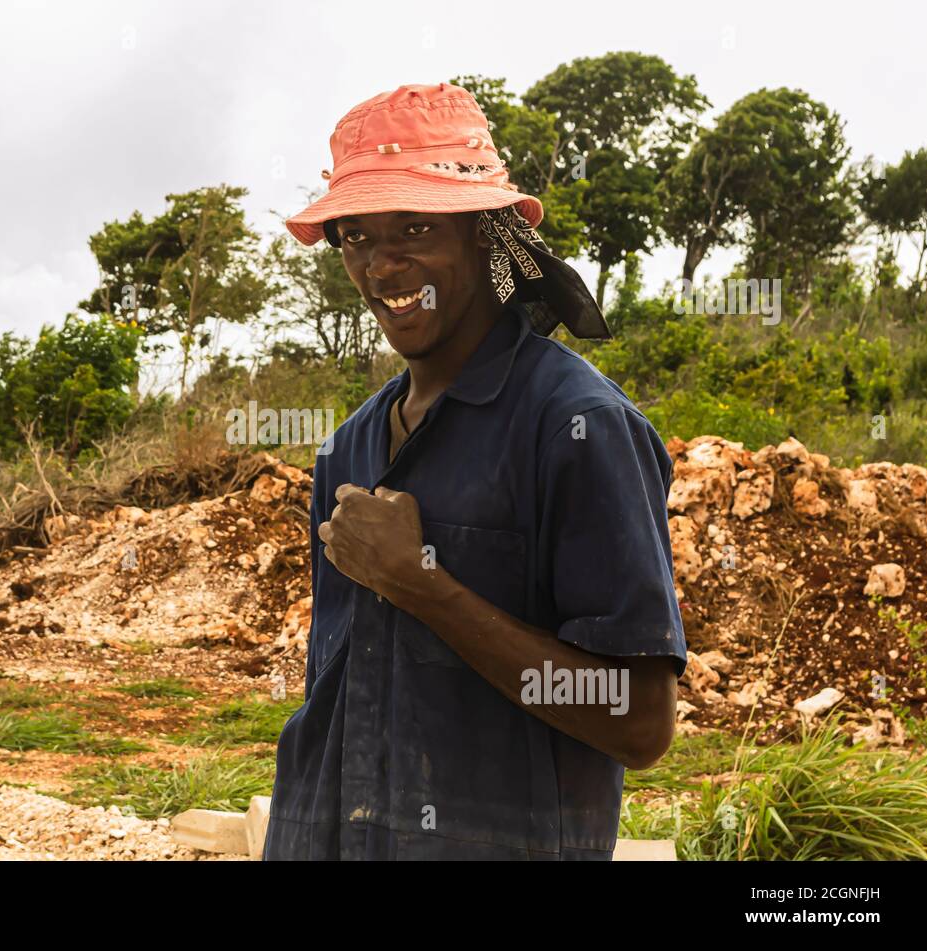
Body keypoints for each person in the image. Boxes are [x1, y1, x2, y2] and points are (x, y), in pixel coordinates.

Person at [264, 82, 688, 860]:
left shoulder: (576, 428)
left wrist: (426, 587)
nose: (381, 264)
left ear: (486, 236)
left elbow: (638, 719)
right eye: (355, 236)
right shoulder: (349, 449)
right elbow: (336, 693)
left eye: (415, 227)